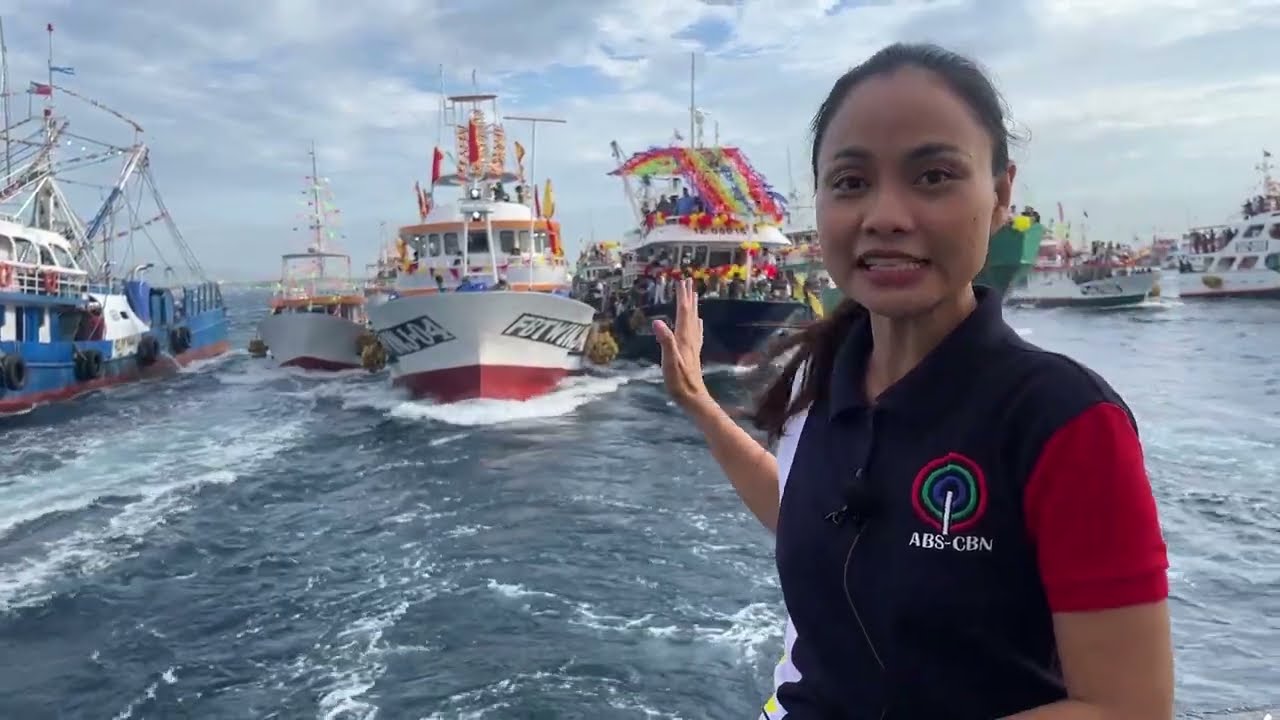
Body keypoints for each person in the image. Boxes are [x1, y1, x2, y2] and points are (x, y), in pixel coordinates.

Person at [653, 43, 1173, 720]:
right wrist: (699, 404)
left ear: (1001, 195)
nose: (886, 216)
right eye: (851, 182)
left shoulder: (1062, 420)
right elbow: (803, 514)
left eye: (933, 176)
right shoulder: (821, 378)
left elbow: (1128, 708)